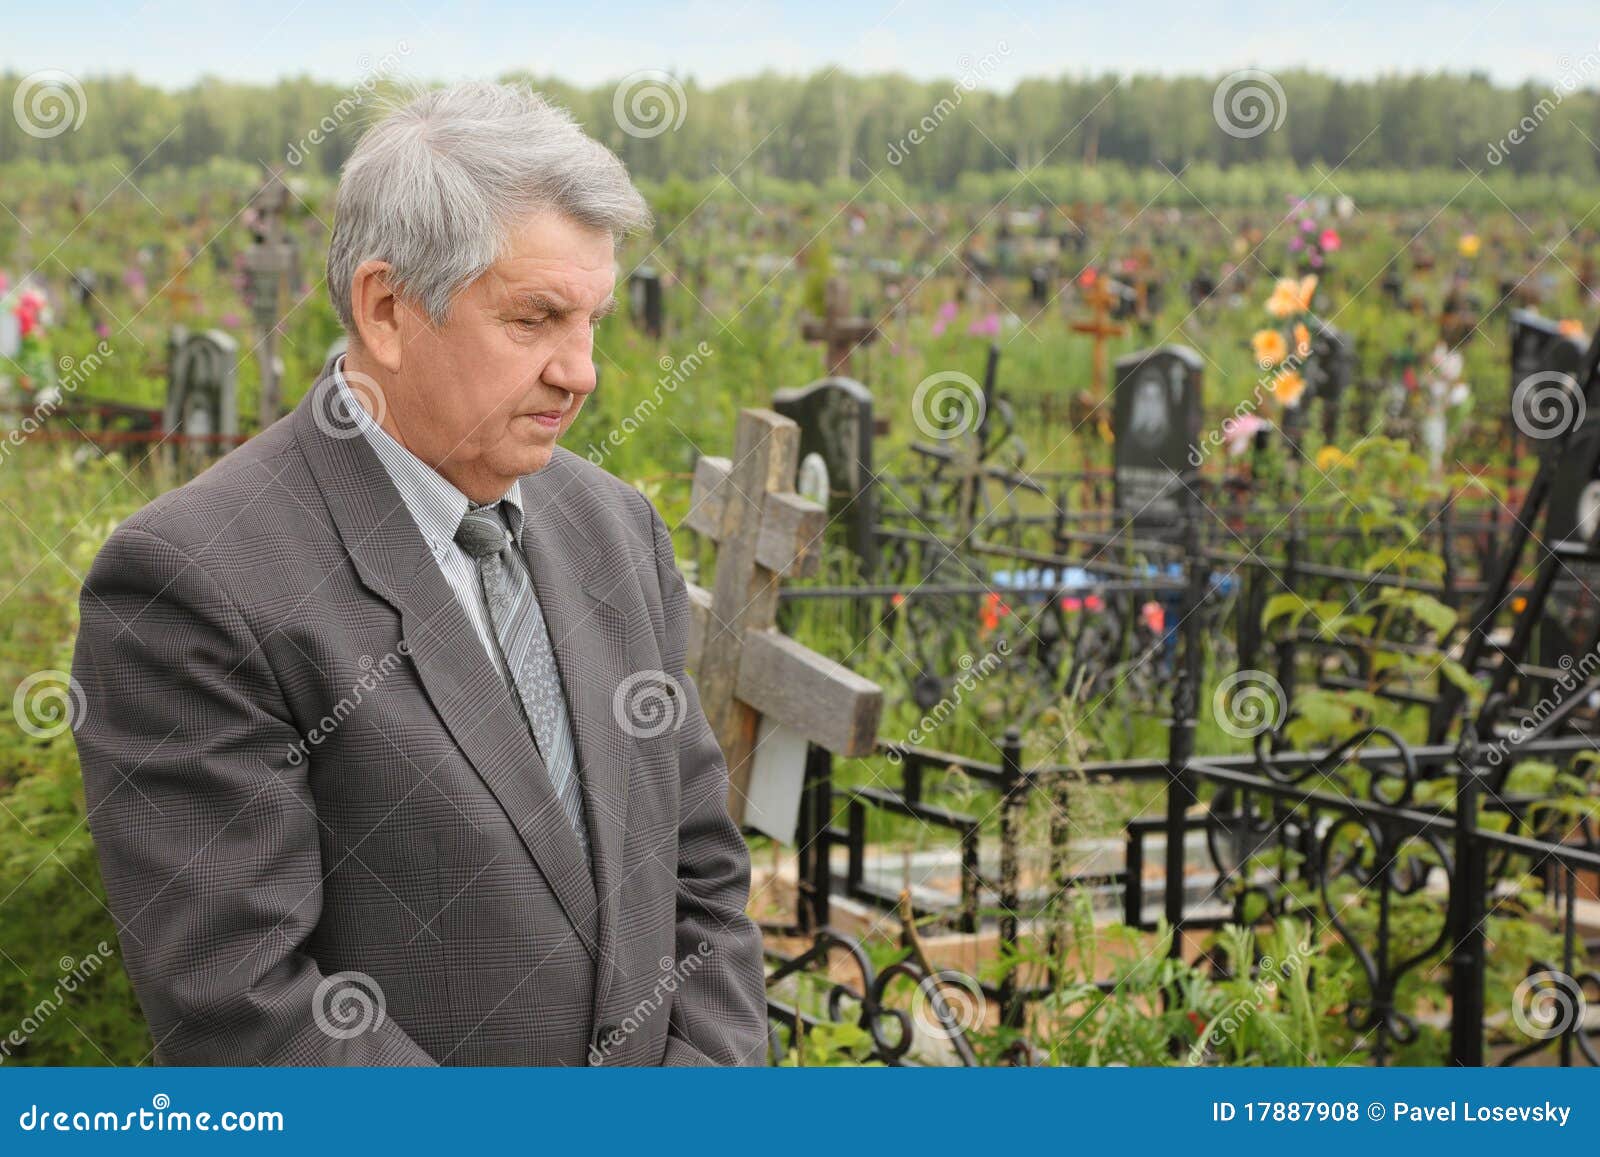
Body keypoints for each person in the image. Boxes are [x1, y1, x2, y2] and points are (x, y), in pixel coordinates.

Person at [70, 81, 767, 1066]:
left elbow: (697, 872)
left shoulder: (616, 531)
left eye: (592, 320)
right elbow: (245, 1006)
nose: (583, 370)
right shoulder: (196, 583)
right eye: (535, 319)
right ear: (388, 307)